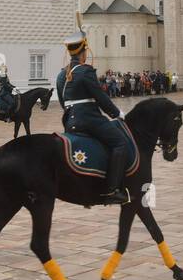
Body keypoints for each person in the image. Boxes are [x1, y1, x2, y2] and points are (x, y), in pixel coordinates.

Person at [56, 31, 132, 205]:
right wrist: (118, 114)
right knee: (120, 143)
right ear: (84, 52)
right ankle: (112, 190)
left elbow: (63, 101)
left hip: (70, 121)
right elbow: (101, 97)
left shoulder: (62, 74)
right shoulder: (86, 71)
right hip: (89, 120)